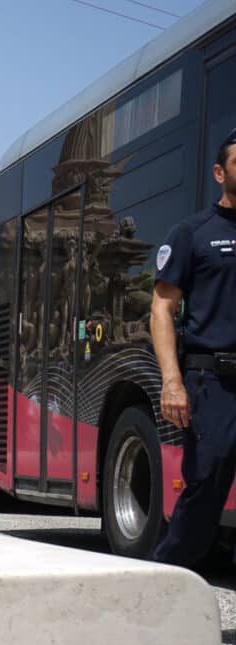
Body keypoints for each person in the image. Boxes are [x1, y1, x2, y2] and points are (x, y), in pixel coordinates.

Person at [150, 128, 236, 568]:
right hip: (214, 383)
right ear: (220, 173)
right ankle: (164, 585)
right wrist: (172, 382)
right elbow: (162, 309)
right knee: (206, 488)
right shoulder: (194, 233)